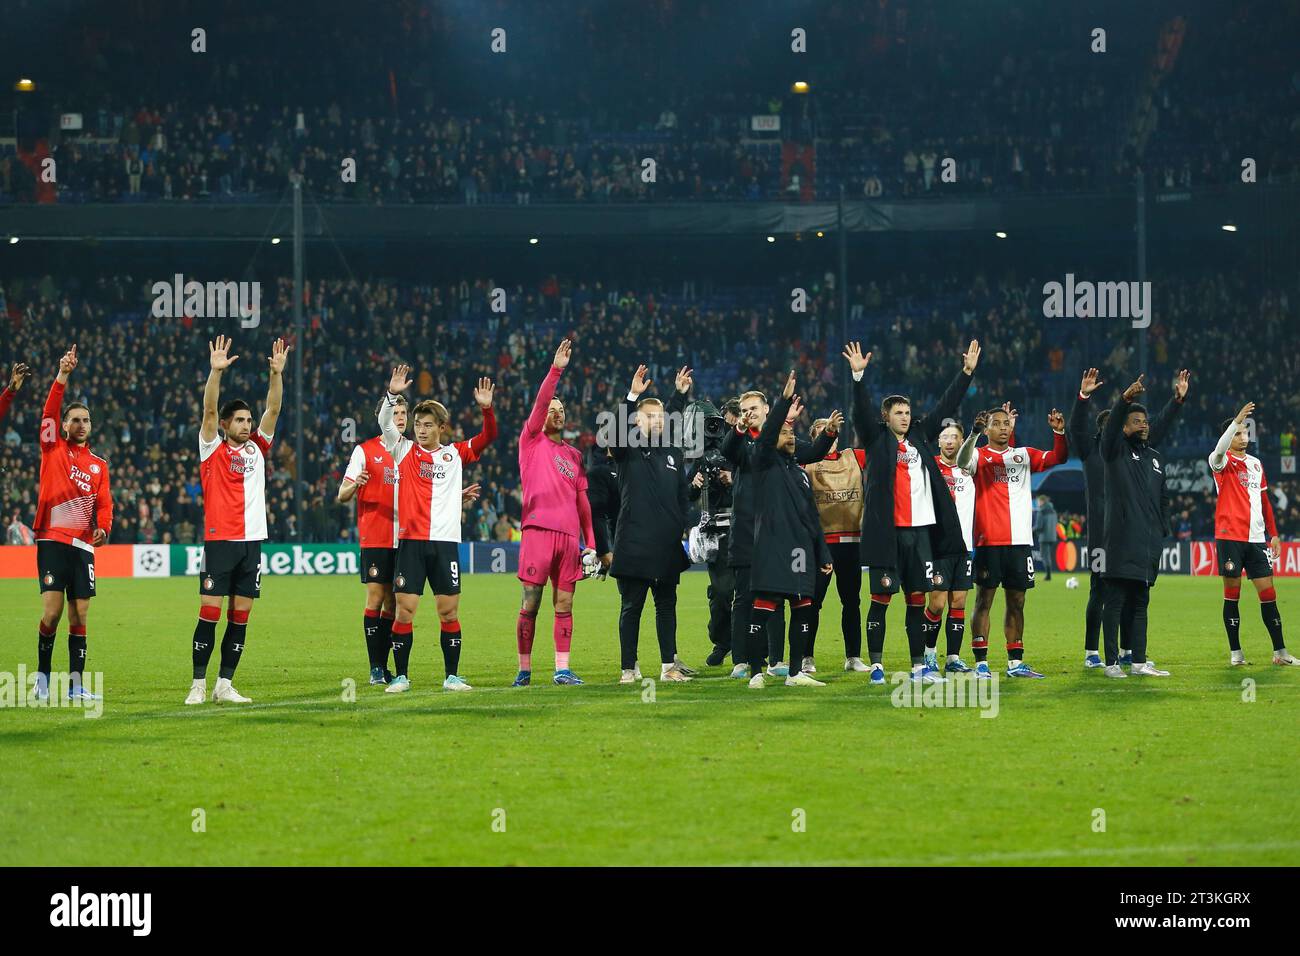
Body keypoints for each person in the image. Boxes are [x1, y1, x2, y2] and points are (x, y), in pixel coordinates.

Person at [845, 338, 980, 686]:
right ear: (885, 417)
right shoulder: (875, 439)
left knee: (917, 601)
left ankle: (920, 666)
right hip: (888, 533)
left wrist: (965, 373)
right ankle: (876, 665)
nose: (905, 418)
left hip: (922, 532)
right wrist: (858, 378)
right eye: (898, 413)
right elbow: (860, 412)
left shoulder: (920, 435)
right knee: (881, 599)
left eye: (907, 413)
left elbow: (944, 404)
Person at [378, 364, 497, 693]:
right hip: (412, 543)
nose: (421, 429)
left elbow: (489, 437)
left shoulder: (454, 455)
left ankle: (452, 676)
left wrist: (487, 410)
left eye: (428, 425)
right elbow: (385, 424)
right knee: (405, 609)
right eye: (418, 424)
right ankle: (401, 676)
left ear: (442, 428)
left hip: (445, 544)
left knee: (448, 611)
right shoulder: (402, 450)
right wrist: (392, 395)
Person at [187, 335, 288, 705]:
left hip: (252, 544)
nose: (247, 425)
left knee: (240, 618)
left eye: (249, 419)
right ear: (226, 423)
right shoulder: (212, 447)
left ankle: (223, 684)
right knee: (210, 613)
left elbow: (273, 410)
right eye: (240, 420)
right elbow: (209, 411)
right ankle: (198, 684)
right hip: (220, 542)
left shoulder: (258, 448)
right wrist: (215, 372)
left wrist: (276, 375)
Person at [1069, 367, 1186, 668]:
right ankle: (1091, 651)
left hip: (1131, 532)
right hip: (1101, 535)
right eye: (1114, 423)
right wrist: (1083, 398)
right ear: (1106, 430)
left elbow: (1156, 427)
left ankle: (1127, 651)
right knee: (1101, 591)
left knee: (1130, 592)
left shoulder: (1136, 454)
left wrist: (1175, 402)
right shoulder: (1094, 451)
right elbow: (1077, 426)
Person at [722, 386, 833, 679]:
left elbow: (811, 451)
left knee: (782, 596)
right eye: (744, 410)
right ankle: (742, 660)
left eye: (753, 409)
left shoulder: (784, 447)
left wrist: (825, 433)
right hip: (747, 533)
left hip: (780, 537)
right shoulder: (749, 444)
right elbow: (728, 451)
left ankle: (775, 660)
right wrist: (739, 429)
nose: (748, 414)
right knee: (745, 599)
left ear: (766, 410)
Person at [959, 401, 1068, 679]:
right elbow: (962, 463)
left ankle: (1015, 662)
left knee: (1017, 601)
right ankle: (981, 662)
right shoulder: (979, 456)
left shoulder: (1023, 455)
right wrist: (973, 433)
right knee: (984, 600)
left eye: (1007, 423)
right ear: (987, 429)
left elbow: (1058, 458)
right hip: (988, 541)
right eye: (997, 424)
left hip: (1019, 542)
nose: (1003, 428)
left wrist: (1059, 433)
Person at [513, 339, 599, 687]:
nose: (556, 412)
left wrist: (589, 543)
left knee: (564, 605)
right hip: (537, 531)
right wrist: (556, 370)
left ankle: (562, 669)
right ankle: (524, 670)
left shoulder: (575, 456)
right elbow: (541, 402)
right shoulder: (531, 439)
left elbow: (583, 504)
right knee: (530, 603)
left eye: (561, 409)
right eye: (552, 408)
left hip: (568, 539)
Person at [32, 345, 113, 703]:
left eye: (86, 420)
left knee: (80, 613)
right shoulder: (53, 448)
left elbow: (104, 504)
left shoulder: (99, 464)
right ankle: (43, 677)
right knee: (52, 612)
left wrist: (104, 528)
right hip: (52, 539)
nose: (81, 425)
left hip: (83, 545)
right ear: (64, 425)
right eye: (75, 420)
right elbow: (49, 410)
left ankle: (77, 685)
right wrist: (63, 375)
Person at [609, 364, 693, 684]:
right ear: (636, 421)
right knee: (632, 607)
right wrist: (632, 396)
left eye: (660, 417)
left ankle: (668, 667)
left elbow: (683, 495)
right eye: (649, 416)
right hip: (633, 541)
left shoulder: (672, 452)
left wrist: (679, 395)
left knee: (666, 607)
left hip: (666, 544)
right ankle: (628, 668)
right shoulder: (627, 448)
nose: (657, 421)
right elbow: (616, 433)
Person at [1209, 402, 1299, 666]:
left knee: (1269, 593)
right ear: (1228, 436)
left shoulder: (1257, 464)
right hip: (1230, 536)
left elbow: (1265, 501)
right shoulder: (1220, 461)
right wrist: (1236, 420)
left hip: (1257, 538)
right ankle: (1236, 653)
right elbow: (1219, 448)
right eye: (1237, 432)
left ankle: (1280, 653)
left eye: (1245, 431)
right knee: (1232, 594)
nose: (1243, 435)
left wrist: (1274, 534)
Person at [1097, 375, 1171, 678]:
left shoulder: (1154, 458)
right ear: (1124, 426)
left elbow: (1163, 498)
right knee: (1114, 603)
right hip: (1120, 541)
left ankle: (1139, 662)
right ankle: (1112, 663)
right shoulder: (1114, 451)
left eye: (1146, 421)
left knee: (1141, 603)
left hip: (1147, 544)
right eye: (1136, 421)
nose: (1144, 425)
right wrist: (1123, 400)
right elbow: (1111, 428)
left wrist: (1162, 528)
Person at [803, 415, 868, 672]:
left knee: (851, 601)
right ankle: (807, 656)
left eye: (829, 432)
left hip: (851, 540)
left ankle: (853, 657)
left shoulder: (855, 457)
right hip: (820, 543)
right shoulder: (805, 462)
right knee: (812, 602)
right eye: (820, 432)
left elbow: (881, 449)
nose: (826, 436)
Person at [688, 399, 738, 667]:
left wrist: (734, 478)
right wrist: (695, 484)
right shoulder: (700, 455)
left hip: (743, 527)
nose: (725, 427)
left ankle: (754, 646)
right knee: (720, 593)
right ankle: (722, 641)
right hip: (715, 530)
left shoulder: (742, 449)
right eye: (723, 421)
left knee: (749, 590)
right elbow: (685, 493)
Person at [930, 419, 977, 673]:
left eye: (954, 437)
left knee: (958, 602)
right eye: (945, 437)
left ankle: (953, 658)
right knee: (937, 604)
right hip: (938, 547)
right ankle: (928, 655)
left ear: (962, 442)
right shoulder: (930, 468)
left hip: (965, 547)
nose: (949, 441)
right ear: (938, 442)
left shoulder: (970, 468)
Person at [1034, 494, 1059, 580]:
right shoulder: (1053, 511)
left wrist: (1032, 531)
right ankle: (1048, 574)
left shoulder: (1041, 511)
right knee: (1048, 555)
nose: (1038, 503)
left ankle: (1048, 575)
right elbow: (1056, 523)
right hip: (1052, 536)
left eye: (1038, 501)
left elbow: (1039, 526)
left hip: (1044, 537)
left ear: (1042, 501)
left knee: (1045, 556)